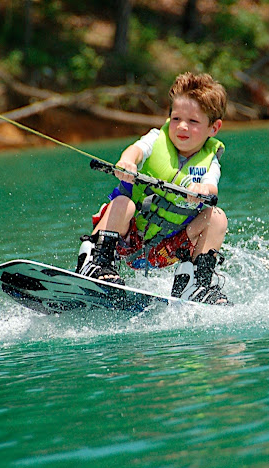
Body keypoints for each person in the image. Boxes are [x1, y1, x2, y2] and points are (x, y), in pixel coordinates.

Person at [76, 72, 231, 305]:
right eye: (176, 118)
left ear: (214, 128)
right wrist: (127, 162)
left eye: (194, 122)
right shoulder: (155, 138)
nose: (182, 127)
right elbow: (136, 150)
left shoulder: (210, 163)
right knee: (123, 203)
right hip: (126, 237)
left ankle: (195, 285)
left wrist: (201, 191)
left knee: (217, 217)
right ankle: (96, 262)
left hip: (166, 249)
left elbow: (211, 188)